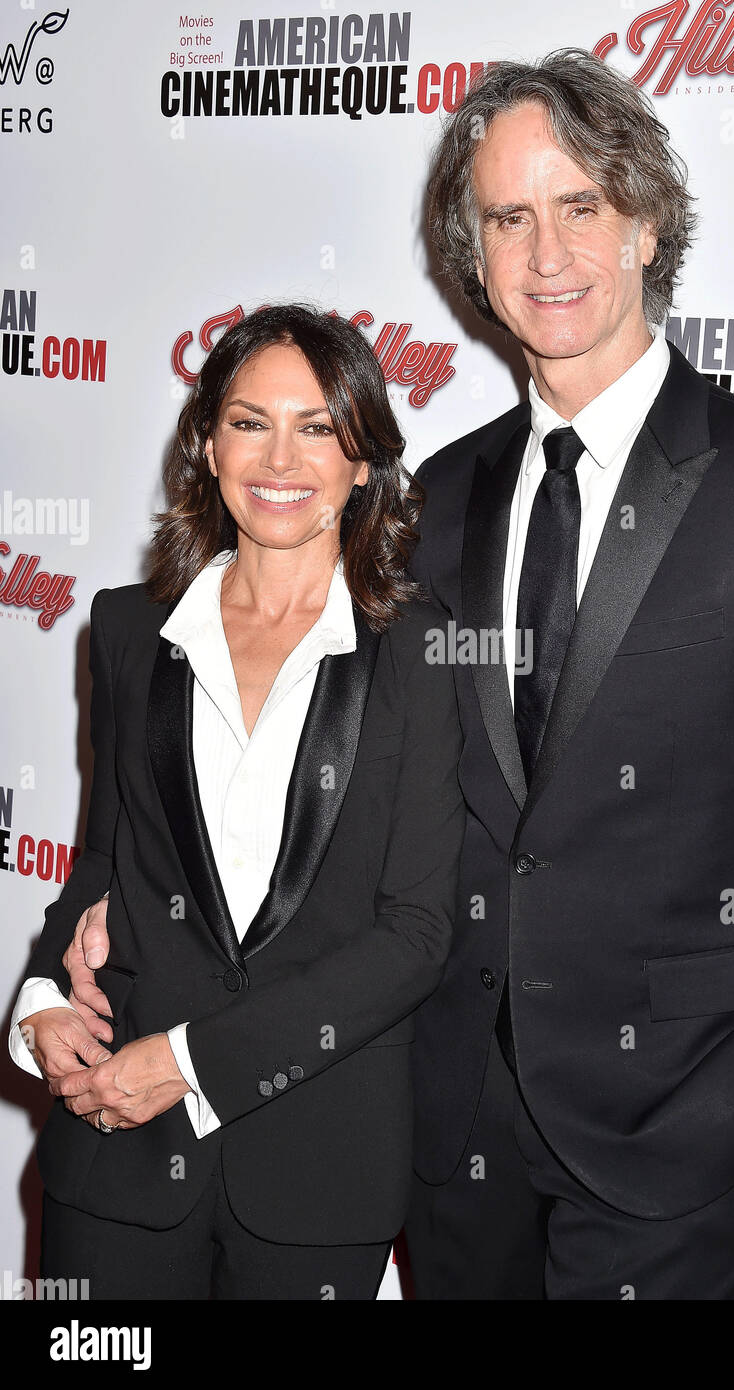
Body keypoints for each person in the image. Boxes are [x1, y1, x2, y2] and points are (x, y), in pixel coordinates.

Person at [61, 50, 734, 1302]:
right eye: (509, 217)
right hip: (451, 1137)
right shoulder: (433, 503)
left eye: (582, 206)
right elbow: (335, 783)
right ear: (475, 259)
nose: (547, 251)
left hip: (679, 1146)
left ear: (644, 226)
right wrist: (118, 909)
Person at [8, 303, 464, 1300]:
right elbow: (101, 860)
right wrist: (42, 1000)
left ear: (362, 458)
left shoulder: (421, 650)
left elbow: (416, 933)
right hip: (112, 1156)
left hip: (317, 1171)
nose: (280, 457)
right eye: (251, 421)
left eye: (316, 425)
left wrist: (186, 1061)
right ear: (208, 443)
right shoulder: (130, 631)